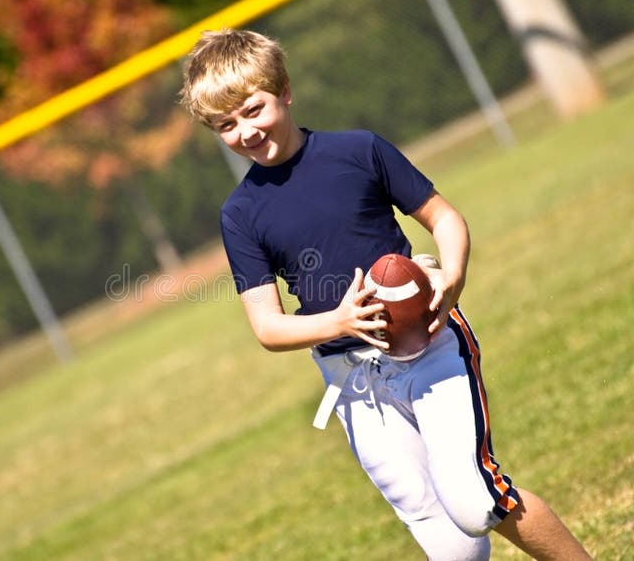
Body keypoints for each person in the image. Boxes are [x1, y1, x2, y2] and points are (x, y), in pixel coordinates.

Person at [179, 28, 591, 561]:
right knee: (450, 545)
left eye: (253, 110)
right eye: (225, 126)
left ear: (283, 90)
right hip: (352, 381)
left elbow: (444, 218)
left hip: (429, 345)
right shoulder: (239, 213)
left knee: (471, 500)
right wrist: (342, 321)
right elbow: (268, 327)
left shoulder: (358, 150)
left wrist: (453, 274)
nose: (245, 132)